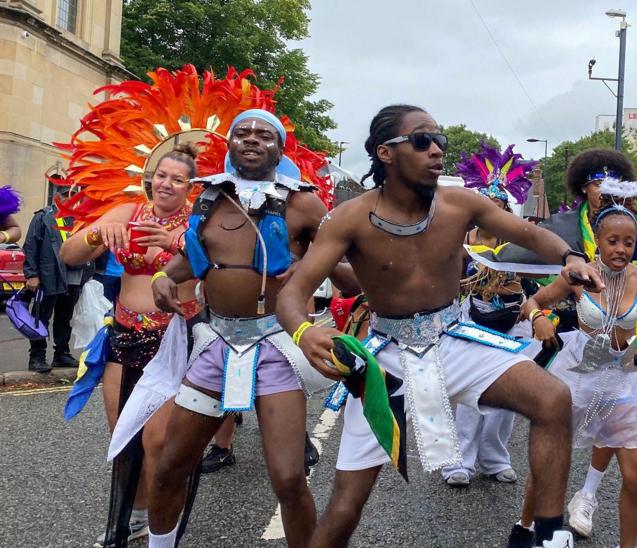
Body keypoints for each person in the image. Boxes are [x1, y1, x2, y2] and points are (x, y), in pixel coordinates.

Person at [276, 104, 601, 548]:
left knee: (552, 398)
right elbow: (292, 293)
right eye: (422, 140)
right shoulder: (349, 218)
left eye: (439, 141)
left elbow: (529, 234)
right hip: (387, 359)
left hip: (454, 340)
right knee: (345, 507)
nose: (437, 150)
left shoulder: (460, 204)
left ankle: (545, 535)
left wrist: (570, 257)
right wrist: (304, 332)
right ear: (385, 152)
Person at [144, 109, 348, 548]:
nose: (252, 139)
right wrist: (163, 277)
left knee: (289, 478)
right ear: (230, 144)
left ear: (280, 148)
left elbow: (345, 268)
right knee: (170, 466)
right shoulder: (208, 197)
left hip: (276, 346)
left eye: (264, 134)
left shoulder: (304, 203)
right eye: (243, 132)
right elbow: (194, 258)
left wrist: (314, 267)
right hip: (215, 345)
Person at [60, 144, 199, 547]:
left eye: (177, 179)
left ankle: (161, 524)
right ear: (150, 178)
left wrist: (174, 243)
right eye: (161, 175)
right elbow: (69, 255)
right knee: (124, 438)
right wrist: (95, 234)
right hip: (124, 337)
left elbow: (216, 265)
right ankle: (134, 515)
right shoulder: (128, 212)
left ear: (190, 187)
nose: (166, 184)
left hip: (175, 342)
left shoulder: (198, 223)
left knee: (159, 441)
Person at [518, 180, 637, 548]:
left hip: (620, 380)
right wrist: (538, 318)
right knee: (550, 461)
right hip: (576, 379)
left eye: (628, 243)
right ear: (597, 241)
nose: (620, 249)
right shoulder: (578, 276)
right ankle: (523, 527)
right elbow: (533, 302)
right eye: (612, 241)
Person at [441, 142, 539, 487]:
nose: (491, 211)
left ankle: (495, 459)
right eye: (486, 204)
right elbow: (451, 279)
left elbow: (536, 276)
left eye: (498, 206)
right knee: (469, 391)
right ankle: (460, 462)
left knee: (507, 393)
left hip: (513, 322)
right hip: (473, 319)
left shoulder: (517, 242)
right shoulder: (463, 239)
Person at [24, 187, 94, 372]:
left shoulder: (81, 218)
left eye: (74, 196)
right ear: (56, 196)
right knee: (41, 317)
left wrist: (89, 273)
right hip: (49, 276)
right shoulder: (43, 217)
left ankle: (61, 353)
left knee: (65, 317)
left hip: (74, 278)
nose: (70, 199)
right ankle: (37, 356)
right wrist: (31, 275)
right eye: (65, 195)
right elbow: (30, 246)